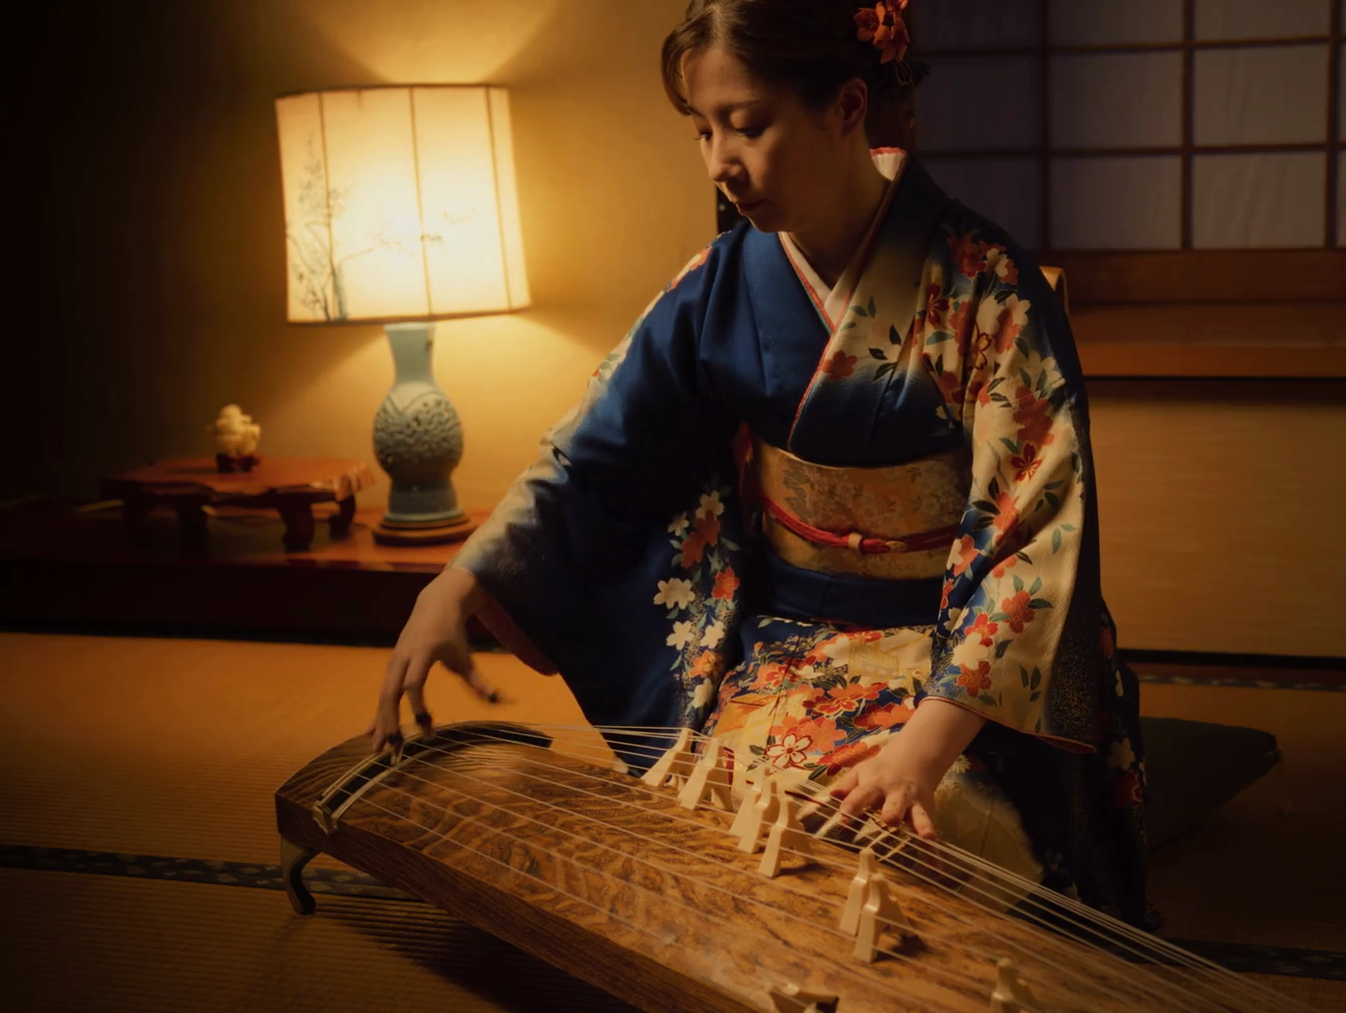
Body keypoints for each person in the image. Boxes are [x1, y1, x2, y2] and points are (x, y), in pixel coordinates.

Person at [372, 0, 1154, 927]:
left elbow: (1035, 534)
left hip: (953, 664)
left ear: (848, 105)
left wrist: (923, 748)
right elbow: (595, 455)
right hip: (787, 642)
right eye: (702, 130)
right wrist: (461, 583)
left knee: (926, 860)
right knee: (729, 838)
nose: (719, 163)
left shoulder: (987, 287)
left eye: (747, 125)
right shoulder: (720, 284)